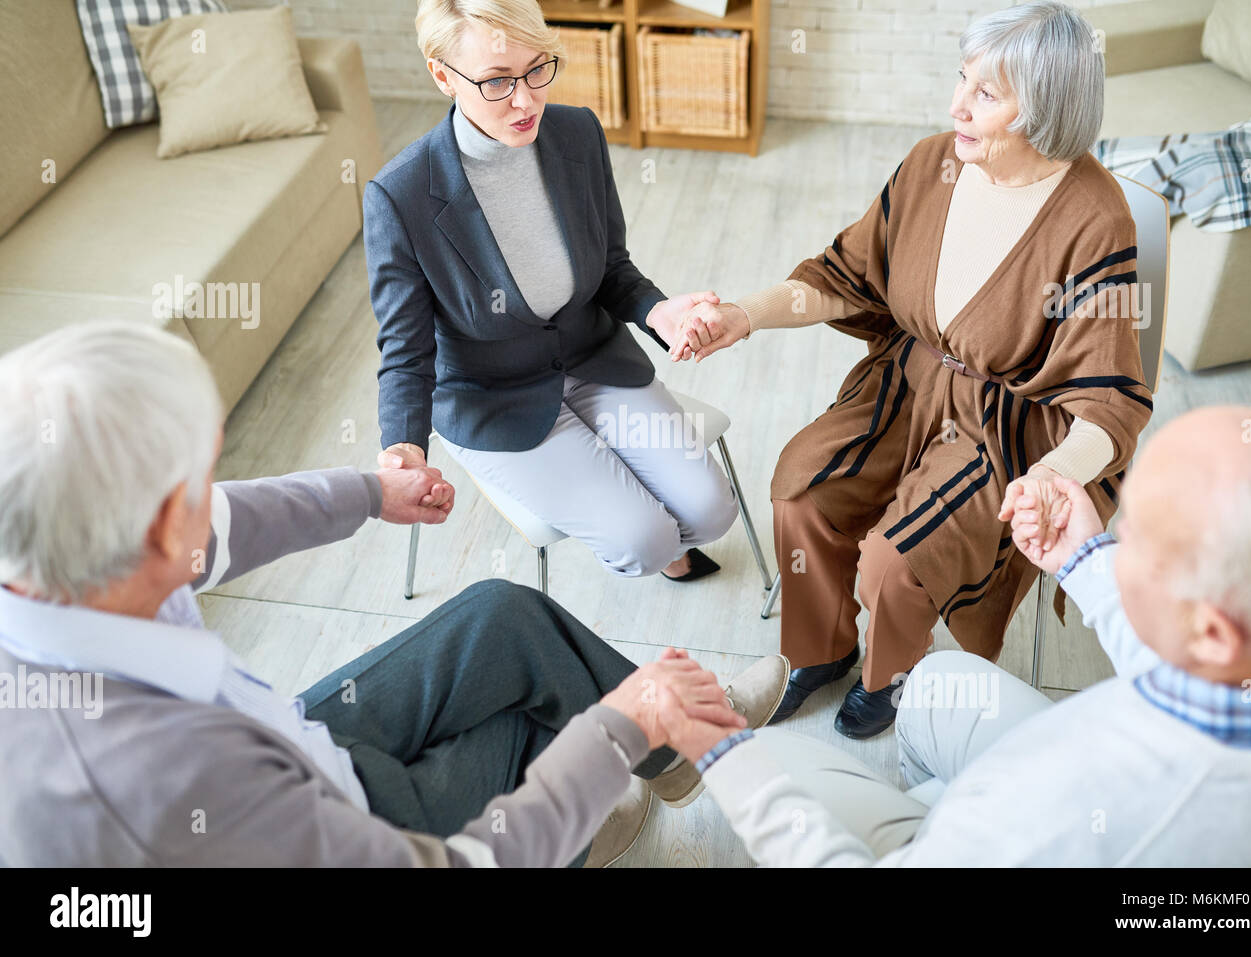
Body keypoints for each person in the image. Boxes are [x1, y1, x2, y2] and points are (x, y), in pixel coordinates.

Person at [0, 323, 787, 867]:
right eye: (203, 475)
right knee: (553, 722)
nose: (217, 490)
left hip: (298, 743)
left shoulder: (60, 543)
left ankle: (670, 757)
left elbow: (230, 523)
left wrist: (370, 493)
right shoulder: (155, 771)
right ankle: (616, 791)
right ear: (166, 524)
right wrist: (620, 727)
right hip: (340, 824)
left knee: (502, 616)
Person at [667, 0, 1154, 738]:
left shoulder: (1097, 220)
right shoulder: (935, 163)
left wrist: (1056, 473)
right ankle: (822, 649)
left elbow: (1112, 402)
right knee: (800, 483)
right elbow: (842, 275)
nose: (956, 104)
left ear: (1045, 107)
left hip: (1005, 423)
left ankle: (887, 675)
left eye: (985, 93)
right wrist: (744, 314)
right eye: (961, 79)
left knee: (896, 559)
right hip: (909, 377)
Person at [660, 405, 1251, 866]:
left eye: (1137, 540)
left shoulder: (1082, 809)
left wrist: (721, 751)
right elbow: (1193, 657)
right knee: (938, 681)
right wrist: (1086, 558)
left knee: (770, 761)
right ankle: (925, 805)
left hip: (1000, 834)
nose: (1118, 538)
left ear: (1212, 631)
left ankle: (920, 829)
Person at [364, 0, 738, 584]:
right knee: (644, 540)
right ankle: (661, 547)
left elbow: (612, 266)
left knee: (715, 509)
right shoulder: (400, 196)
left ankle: (659, 529)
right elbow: (407, 355)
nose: (525, 100)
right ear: (443, 75)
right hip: (494, 399)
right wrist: (405, 448)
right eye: (496, 82)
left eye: (538, 69)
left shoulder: (576, 133)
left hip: (592, 359)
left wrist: (657, 311)